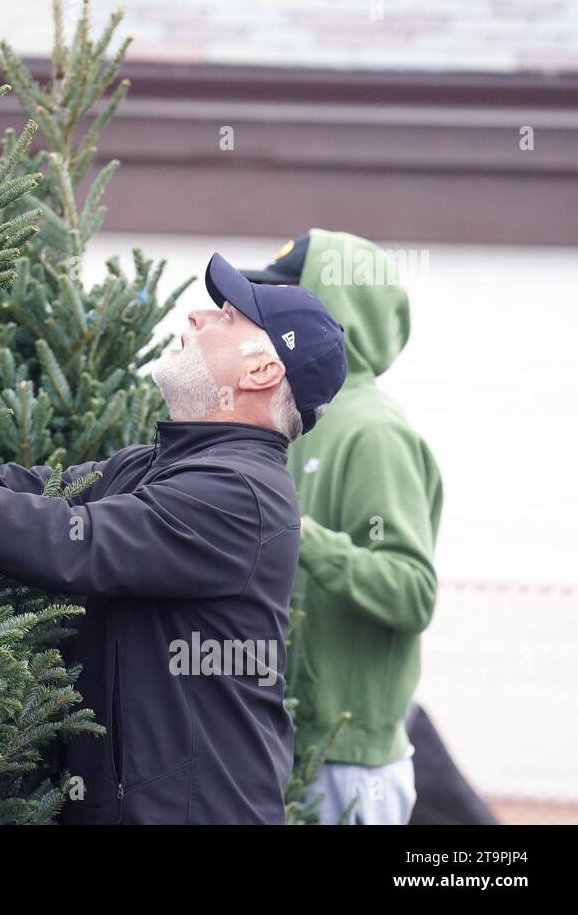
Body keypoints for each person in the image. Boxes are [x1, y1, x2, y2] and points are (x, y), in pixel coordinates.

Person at [0, 254, 347, 823]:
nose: (200, 317)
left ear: (261, 373)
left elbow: (71, 541)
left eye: (228, 317)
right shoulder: (162, 466)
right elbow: (38, 493)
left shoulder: (238, 494)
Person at [237, 230, 443, 824]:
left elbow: (412, 591)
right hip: (281, 741)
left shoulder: (374, 432)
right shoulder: (299, 418)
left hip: (348, 767)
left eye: (284, 300)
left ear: (334, 309)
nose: (263, 318)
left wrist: (303, 534)